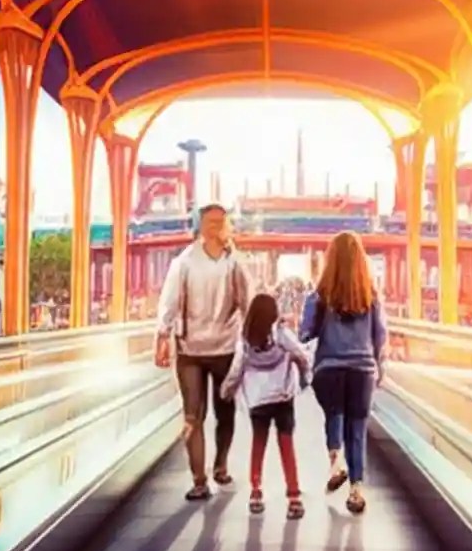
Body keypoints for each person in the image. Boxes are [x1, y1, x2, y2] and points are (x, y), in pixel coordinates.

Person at [155, 203, 252, 500]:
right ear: (201, 225)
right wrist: (162, 334)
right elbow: (169, 300)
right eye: (211, 222)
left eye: (221, 222)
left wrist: (252, 342)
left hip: (225, 347)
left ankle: (220, 464)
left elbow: (248, 300)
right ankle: (199, 479)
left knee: (226, 412)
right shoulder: (184, 261)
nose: (216, 227)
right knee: (193, 415)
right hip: (190, 350)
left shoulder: (234, 261)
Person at [300, 231, 387, 514]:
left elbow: (305, 333)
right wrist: (379, 367)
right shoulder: (371, 296)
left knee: (334, 414)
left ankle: (336, 463)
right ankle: (356, 492)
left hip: (329, 366)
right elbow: (380, 336)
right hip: (363, 369)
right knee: (357, 428)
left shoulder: (320, 295)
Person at [220, 293, 311, 518]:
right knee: (286, 444)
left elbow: (236, 369)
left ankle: (256, 491)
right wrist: (303, 370)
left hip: (258, 399)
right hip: (282, 396)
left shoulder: (246, 339)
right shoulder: (281, 334)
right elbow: (302, 354)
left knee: (258, 444)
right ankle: (293, 496)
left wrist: (226, 391)